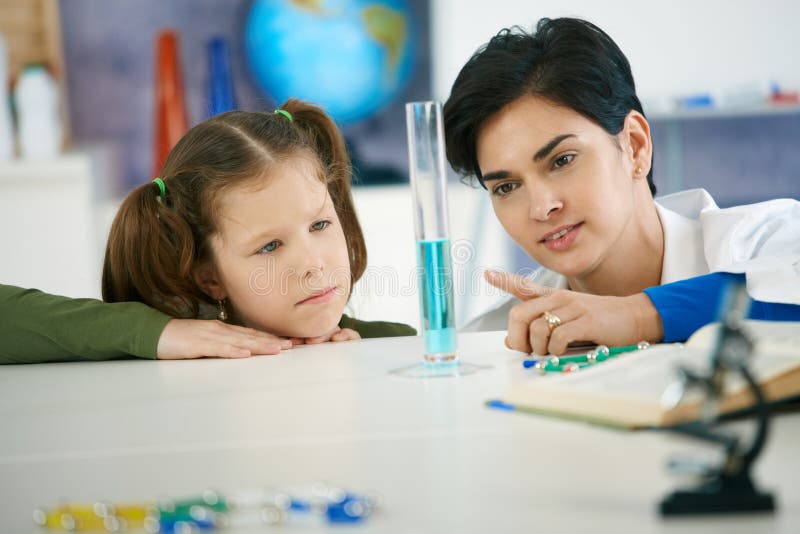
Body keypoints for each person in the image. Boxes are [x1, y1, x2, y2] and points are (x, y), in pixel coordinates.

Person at [443, 17, 800, 355]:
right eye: (506, 187)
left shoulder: (763, 243)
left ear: (635, 145)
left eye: (562, 160)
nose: (541, 208)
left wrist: (637, 316)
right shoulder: (497, 338)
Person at [1, 99, 414, 365]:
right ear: (210, 277)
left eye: (320, 224)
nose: (313, 265)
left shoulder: (389, 345)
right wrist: (156, 332)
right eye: (270, 245)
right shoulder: (165, 355)